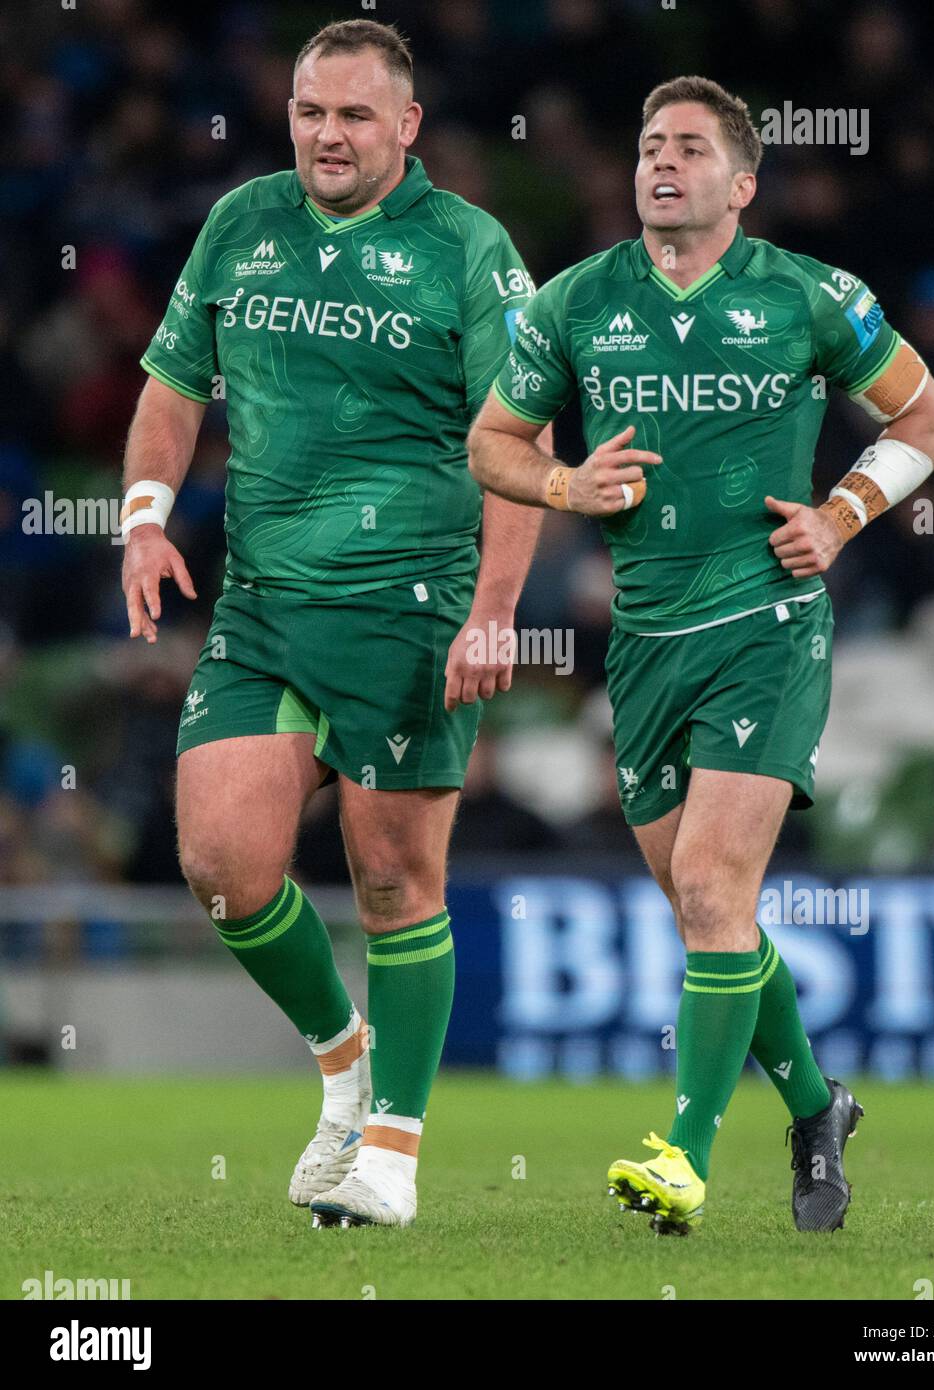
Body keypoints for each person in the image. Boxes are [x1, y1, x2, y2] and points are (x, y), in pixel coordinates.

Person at [468, 75, 934, 1233]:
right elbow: (491, 439)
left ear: (741, 182)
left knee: (709, 888)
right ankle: (815, 1106)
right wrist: (561, 481)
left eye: (688, 147)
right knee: (710, 918)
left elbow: (926, 419)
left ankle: (682, 1155)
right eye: (647, 145)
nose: (660, 163)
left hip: (765, 628)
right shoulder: (574, 303)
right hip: (641, 646)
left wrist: (840, 515)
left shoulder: (809, 297)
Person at [120, 19, 545, 1231]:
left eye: (355, 115)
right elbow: (170, 384)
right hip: (259, 606)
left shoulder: (466, 248)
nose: (327, 135)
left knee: (395, 877)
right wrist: (146, 518)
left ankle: (393, 1157)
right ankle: (341, 1061)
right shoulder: (240, 224)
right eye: (311, 112)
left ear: (405, 127)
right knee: (220, 862)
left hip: (406, 608)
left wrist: (495, 612)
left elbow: (520, 441)